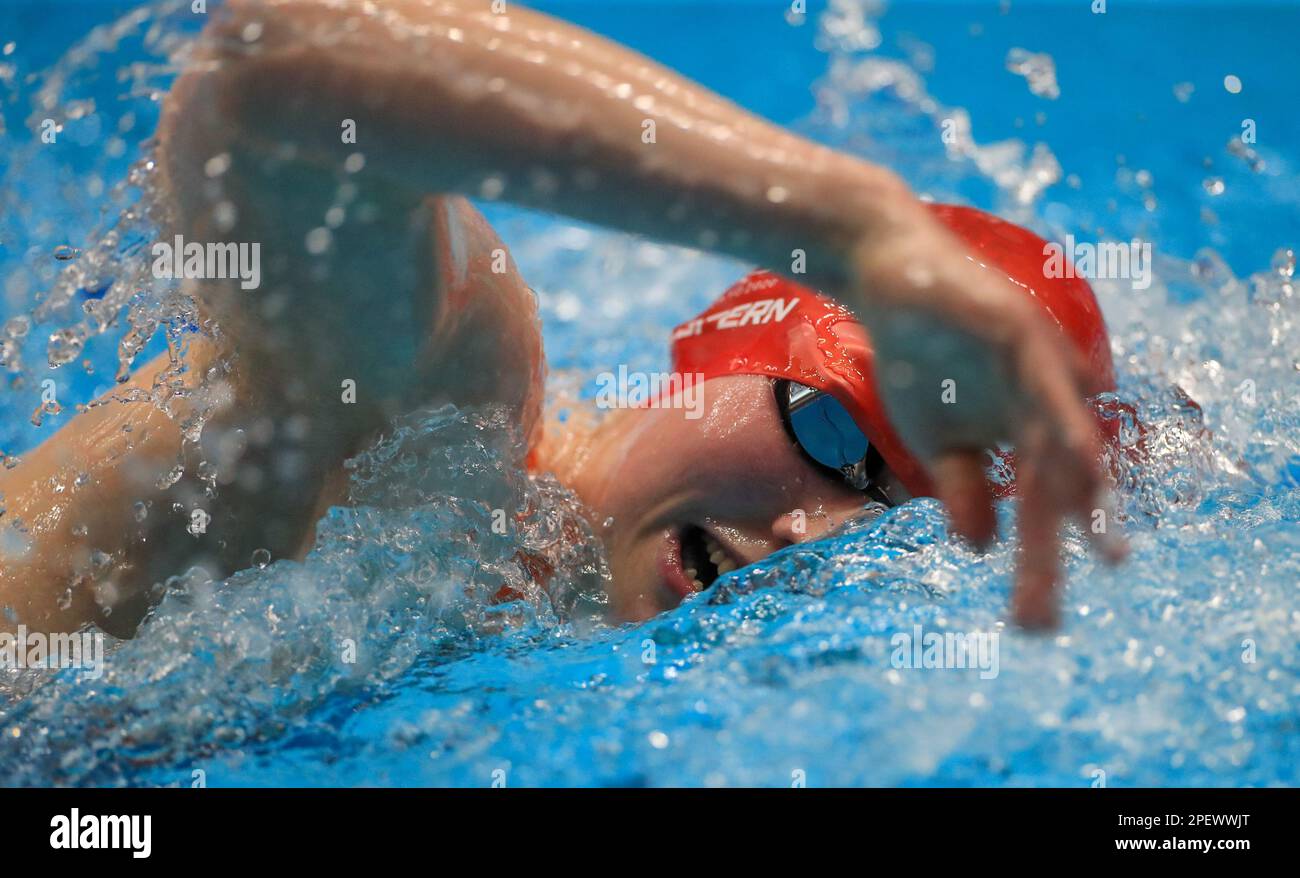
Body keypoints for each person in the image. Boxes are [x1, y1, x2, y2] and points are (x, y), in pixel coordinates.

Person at [0, 0, 1122, 639]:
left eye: (887, 535)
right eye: (835, 441)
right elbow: (271, 70)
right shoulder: (443, 402)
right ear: (716, 349)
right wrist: (856, 229)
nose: (807, 539)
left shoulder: (551, 619)